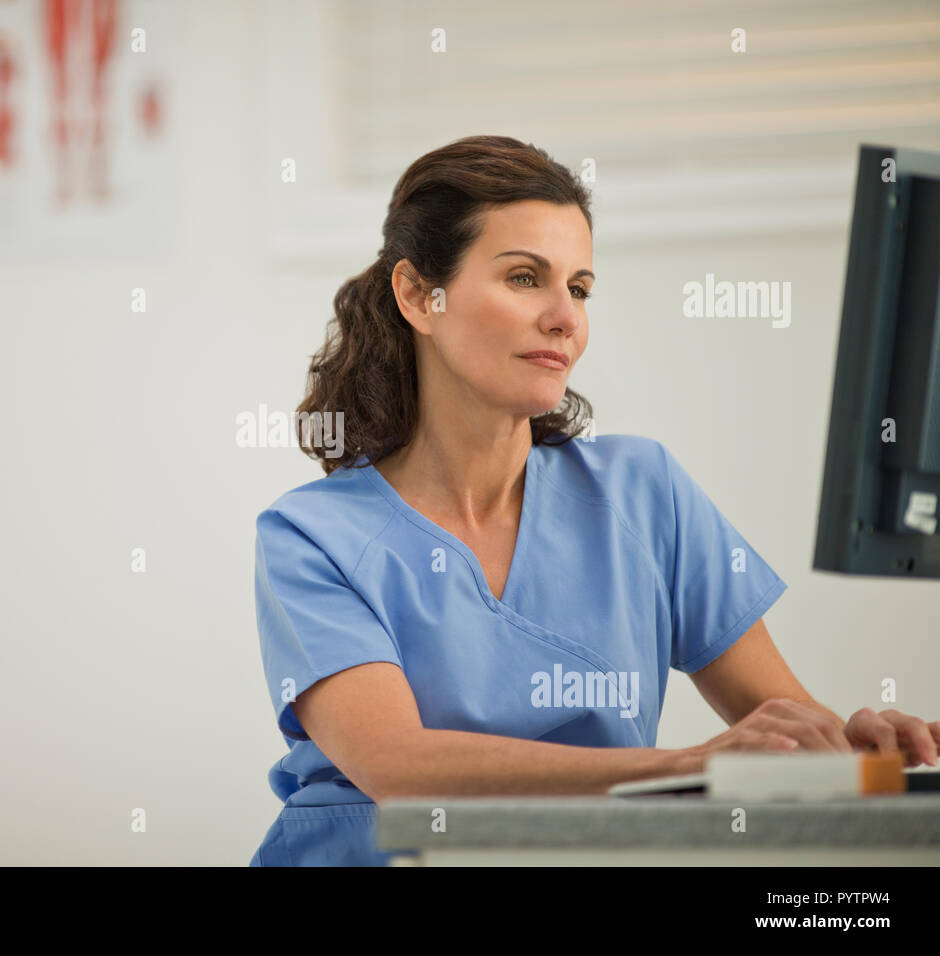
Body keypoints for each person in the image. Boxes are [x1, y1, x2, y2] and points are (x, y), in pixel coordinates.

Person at [248, 135, 940, 867]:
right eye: (524, 279)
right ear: (420, 295)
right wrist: (686, 768)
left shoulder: (643, 492)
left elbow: (778, 725)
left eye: (578, 288)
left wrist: (857, 753)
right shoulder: (311, 535)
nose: (565, 318)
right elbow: (400, 768)